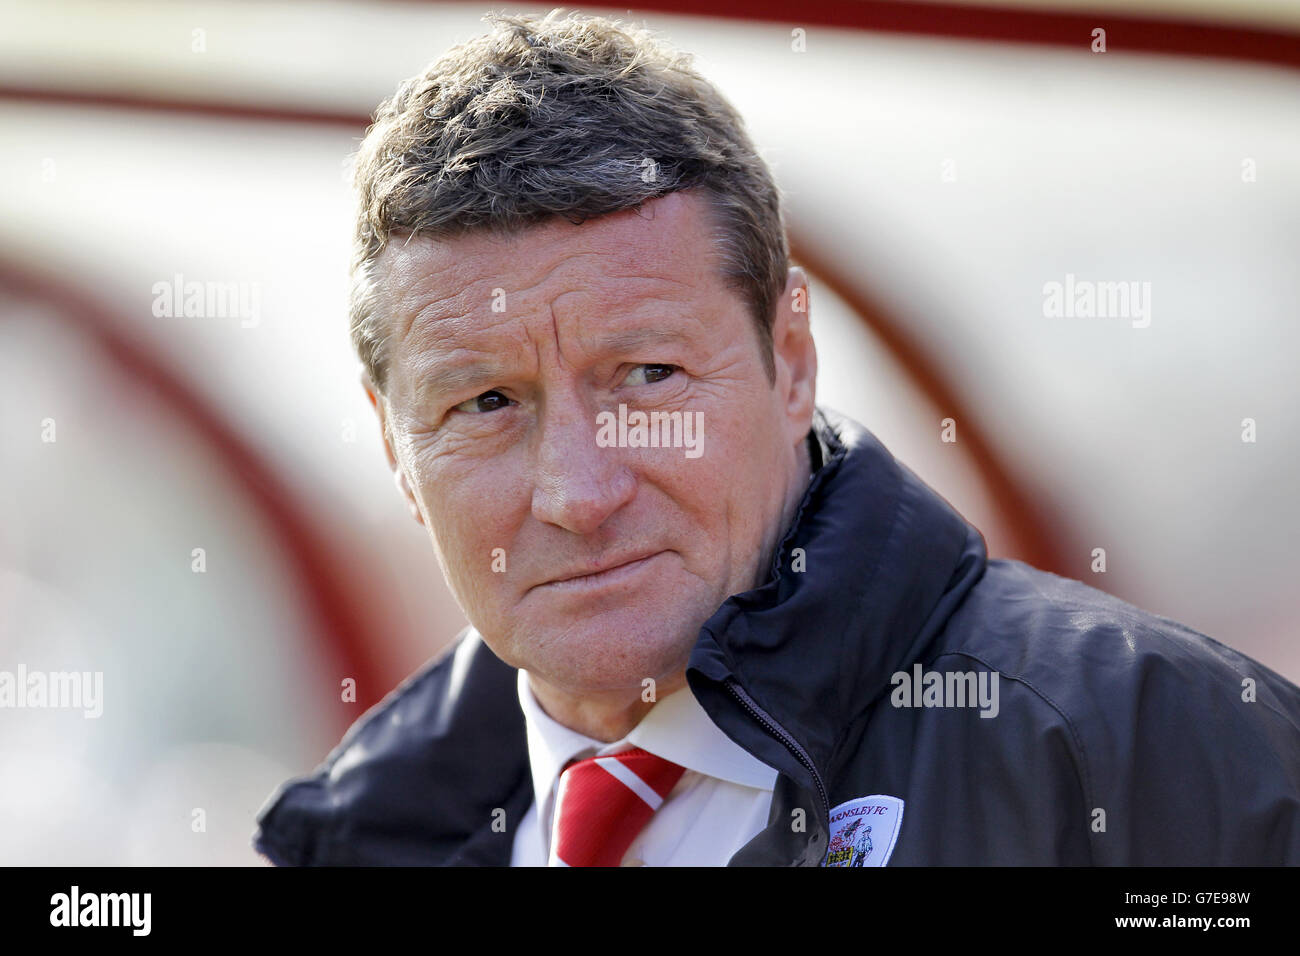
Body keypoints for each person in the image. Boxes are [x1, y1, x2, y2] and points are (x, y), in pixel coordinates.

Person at [252, 9, 1300, 866]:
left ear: (790, 359)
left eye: (647, 376)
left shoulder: (1145, 744)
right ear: (394, 443)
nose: (576, 489)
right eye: (485, 403)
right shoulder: (352, 839)